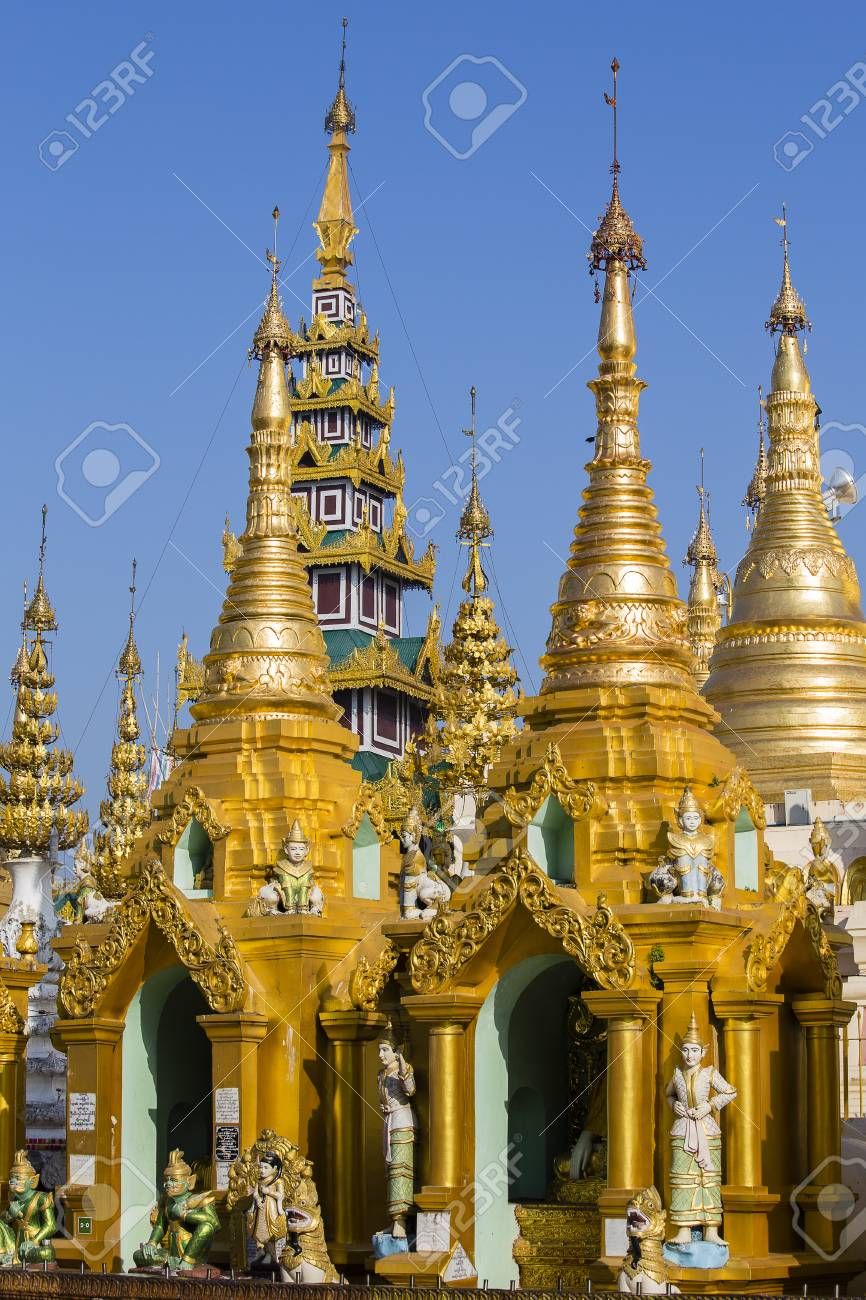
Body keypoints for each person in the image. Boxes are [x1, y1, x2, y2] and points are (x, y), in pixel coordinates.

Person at [664, 1015, 736, 1246]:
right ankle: (684, 1228)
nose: (690, 1055)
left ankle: (711, 1230)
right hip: (683, 1129)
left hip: (707, 1131)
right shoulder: (677, 1075)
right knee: (682, 1179)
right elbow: (668, 1094)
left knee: (709, 1179)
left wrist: (709, 1106)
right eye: (685, 1050)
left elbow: (730, 1092)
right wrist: (673, 1104)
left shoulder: (710, 1074)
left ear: (703, 1053)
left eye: (694, 1050)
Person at [377, 1035, 416, 1238]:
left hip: (402, 1124)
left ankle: (401, 1219)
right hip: (390, 1123)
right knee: (391, 1173)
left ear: (395, 1052)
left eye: (385, 1050)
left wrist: (402, 1064)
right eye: (380, 1050)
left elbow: (410, 1090)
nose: (380, 1054)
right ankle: (394, 1220)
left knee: (401, 1171)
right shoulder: (382, 1074)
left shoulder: (403, 1070)